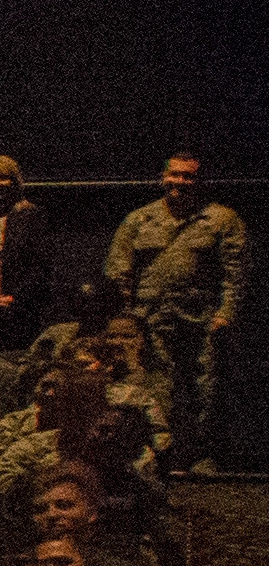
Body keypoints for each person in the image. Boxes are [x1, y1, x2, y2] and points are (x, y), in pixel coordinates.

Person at [104, 152, 242, 470]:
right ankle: (162, 454)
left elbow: (235, 275)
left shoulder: (222, 220)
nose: (180, 182)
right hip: (150, 323)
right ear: (163, 177)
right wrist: (125, 318)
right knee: (155, 386)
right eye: (175, 175)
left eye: (188, 176)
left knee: (203, 389)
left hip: (201, 322)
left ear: (200, 181)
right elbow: (118, 271)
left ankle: (200, 454)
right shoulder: (139, 220)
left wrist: (225, 314)